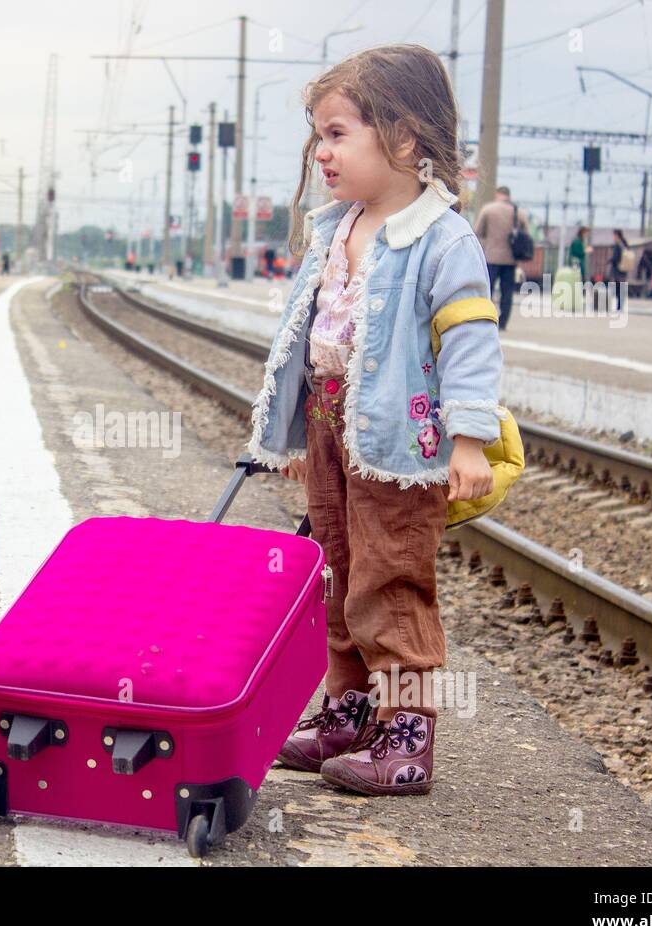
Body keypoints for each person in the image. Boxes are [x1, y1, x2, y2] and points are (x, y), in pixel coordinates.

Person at [248, 43, 501, 797]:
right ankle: (349, 714)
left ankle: (407, 737)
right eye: (316, 135)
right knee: (337, 571)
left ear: (404, 138)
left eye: (336, 133)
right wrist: (298, 432)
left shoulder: (442, 237)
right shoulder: (338, 227)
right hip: (334, 427)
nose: (319, 152)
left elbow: (470, 341)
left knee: (390, 582)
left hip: (402, 441)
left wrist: (468, 440)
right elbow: (311, 333)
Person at [473, 185, 527, 331]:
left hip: (491, 257)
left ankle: (486, 319)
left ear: (497, 194)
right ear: (509, 196)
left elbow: (477, 231)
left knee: (487, 290)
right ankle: (502, 322)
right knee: (507, 292)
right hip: (510, 259)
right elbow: (525, 234)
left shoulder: (488, 210)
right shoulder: (518, 212)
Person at [609, 227, 632, 312]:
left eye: (614, 235)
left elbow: (615, 258)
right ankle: (620, 306)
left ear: (616, 235)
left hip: (618, 269)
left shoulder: (617, 245)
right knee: (621, 287)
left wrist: (610, 260)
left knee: (617, 288)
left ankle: (619, 306)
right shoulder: (624, 244)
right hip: (624, 269)